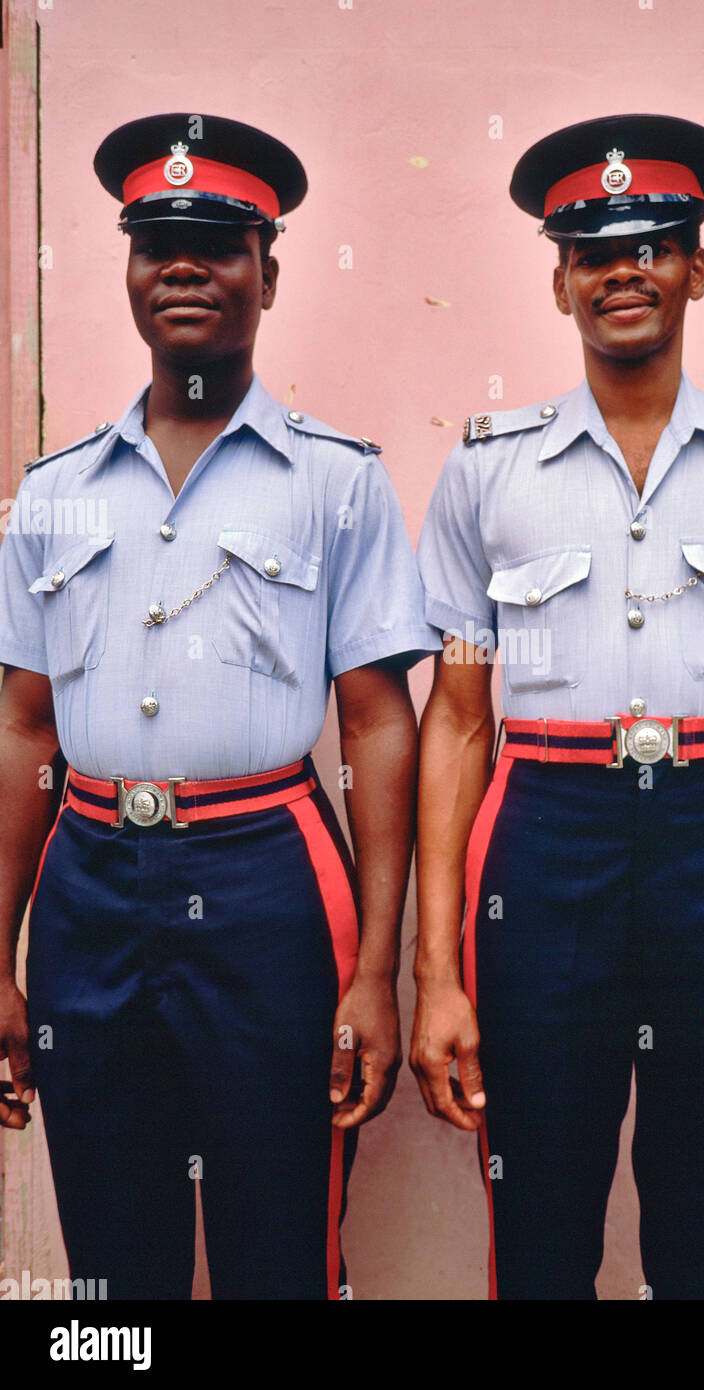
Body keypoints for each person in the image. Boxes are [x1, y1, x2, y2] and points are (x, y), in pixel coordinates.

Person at [411, 113, 704, 1300]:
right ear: (562, 282)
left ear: (696, 269)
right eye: (596, 251)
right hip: (544, 840)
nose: (627, 268)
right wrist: (438, 976)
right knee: (542, 1206)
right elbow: (457, 721)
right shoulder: (486, 468)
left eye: (657, 243)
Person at [0, 113, 437, 1299]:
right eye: (158, 243)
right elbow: (26, 730)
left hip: (270, 882)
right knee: (108, 1254)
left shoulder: (337, 481)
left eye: (219, 242)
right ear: (130, 272)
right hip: (87, 882)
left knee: (281, 1237)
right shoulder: (54, 494)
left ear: (269, 275)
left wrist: (376, 975)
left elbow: (379, 725)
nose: (184, 266)